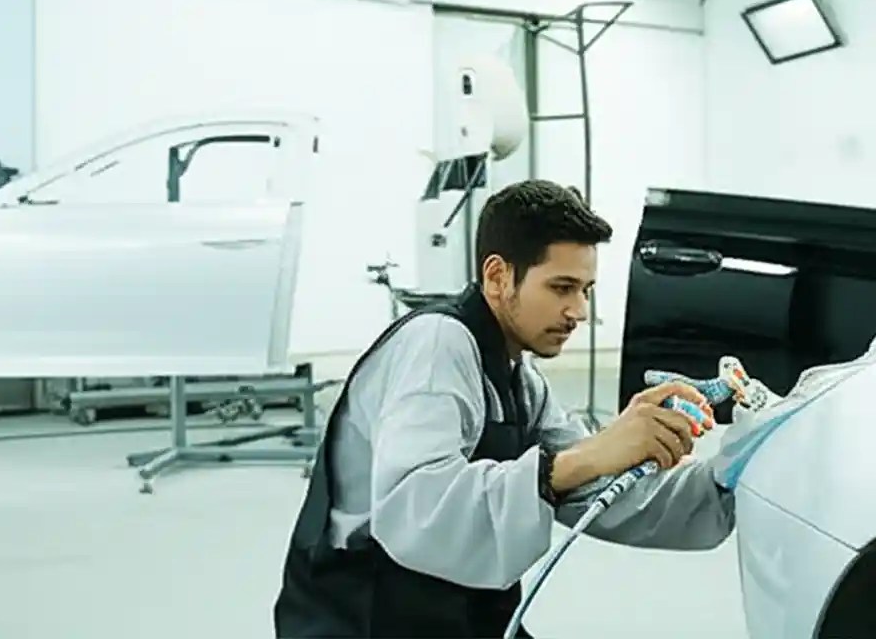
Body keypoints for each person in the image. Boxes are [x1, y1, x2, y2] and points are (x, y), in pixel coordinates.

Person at [273, 179, 739, 639]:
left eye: (586, 290)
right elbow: (418, 509)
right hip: (366, 619)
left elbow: (596, 489)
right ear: (497, 277)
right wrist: (587, 456)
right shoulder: (438, 344)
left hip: (453, 609)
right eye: (562, 287)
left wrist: (731, 478)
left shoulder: (519, 378)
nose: (578, 310)